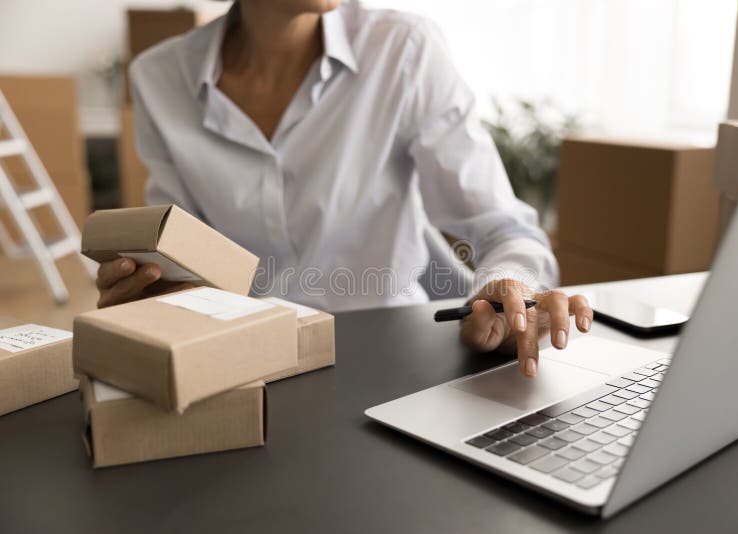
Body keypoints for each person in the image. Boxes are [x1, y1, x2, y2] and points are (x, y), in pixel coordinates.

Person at [96, 0, 592, 377]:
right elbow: (178, 261)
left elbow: (505, 230)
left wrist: (510, 289)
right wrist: (151, 289)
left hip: (392, 364)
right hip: (245, 364)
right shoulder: (159, 79)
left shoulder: (404, 49)